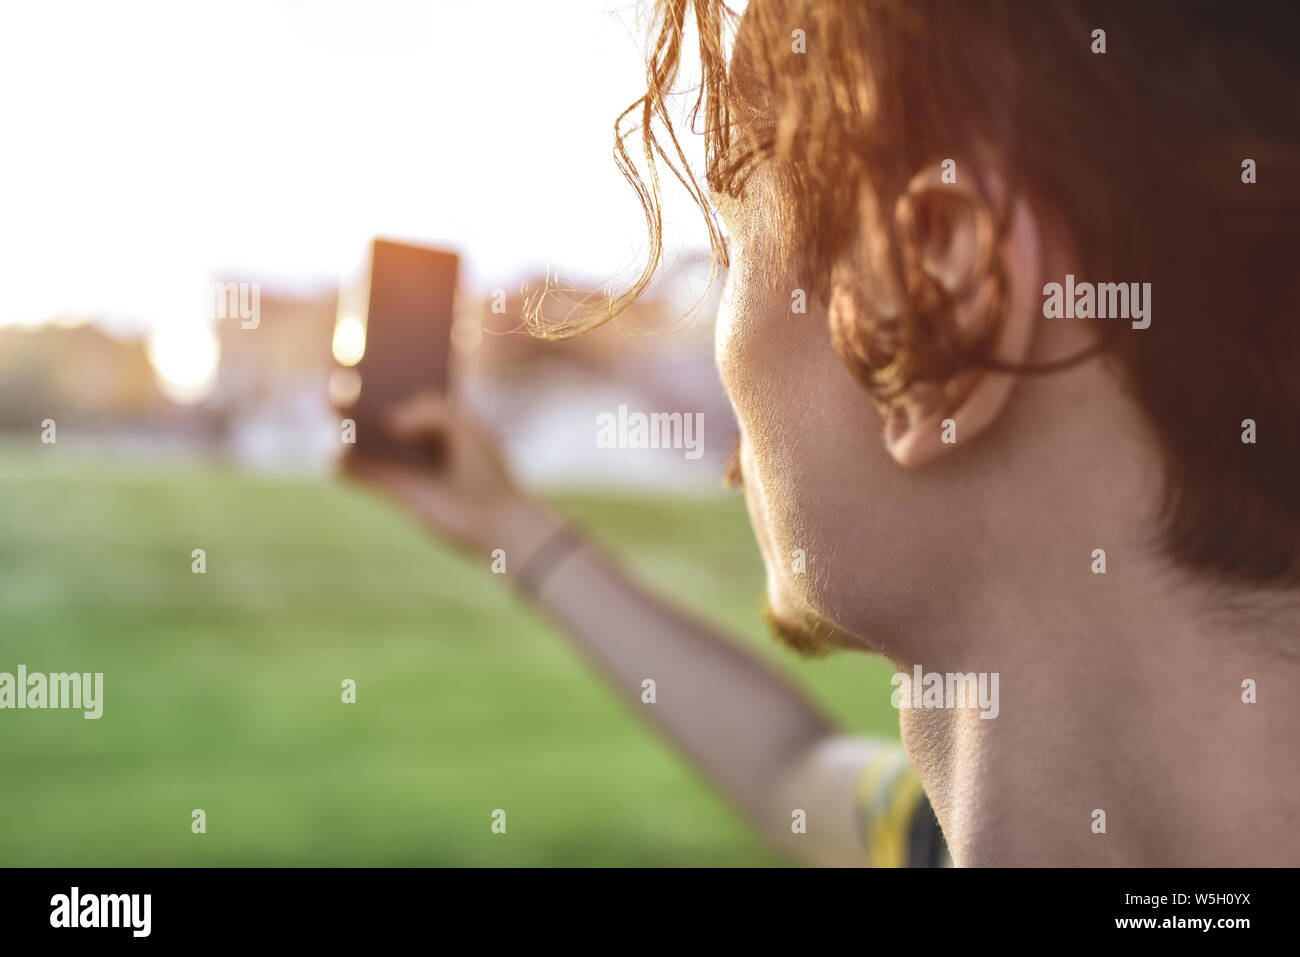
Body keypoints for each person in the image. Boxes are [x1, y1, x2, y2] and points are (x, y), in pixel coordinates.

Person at [346, 0, 1300, 866]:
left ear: (939, 299)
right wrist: (511, 526)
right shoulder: (944, 835)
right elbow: (786, 768)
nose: (731, 442)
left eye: (734, 251)